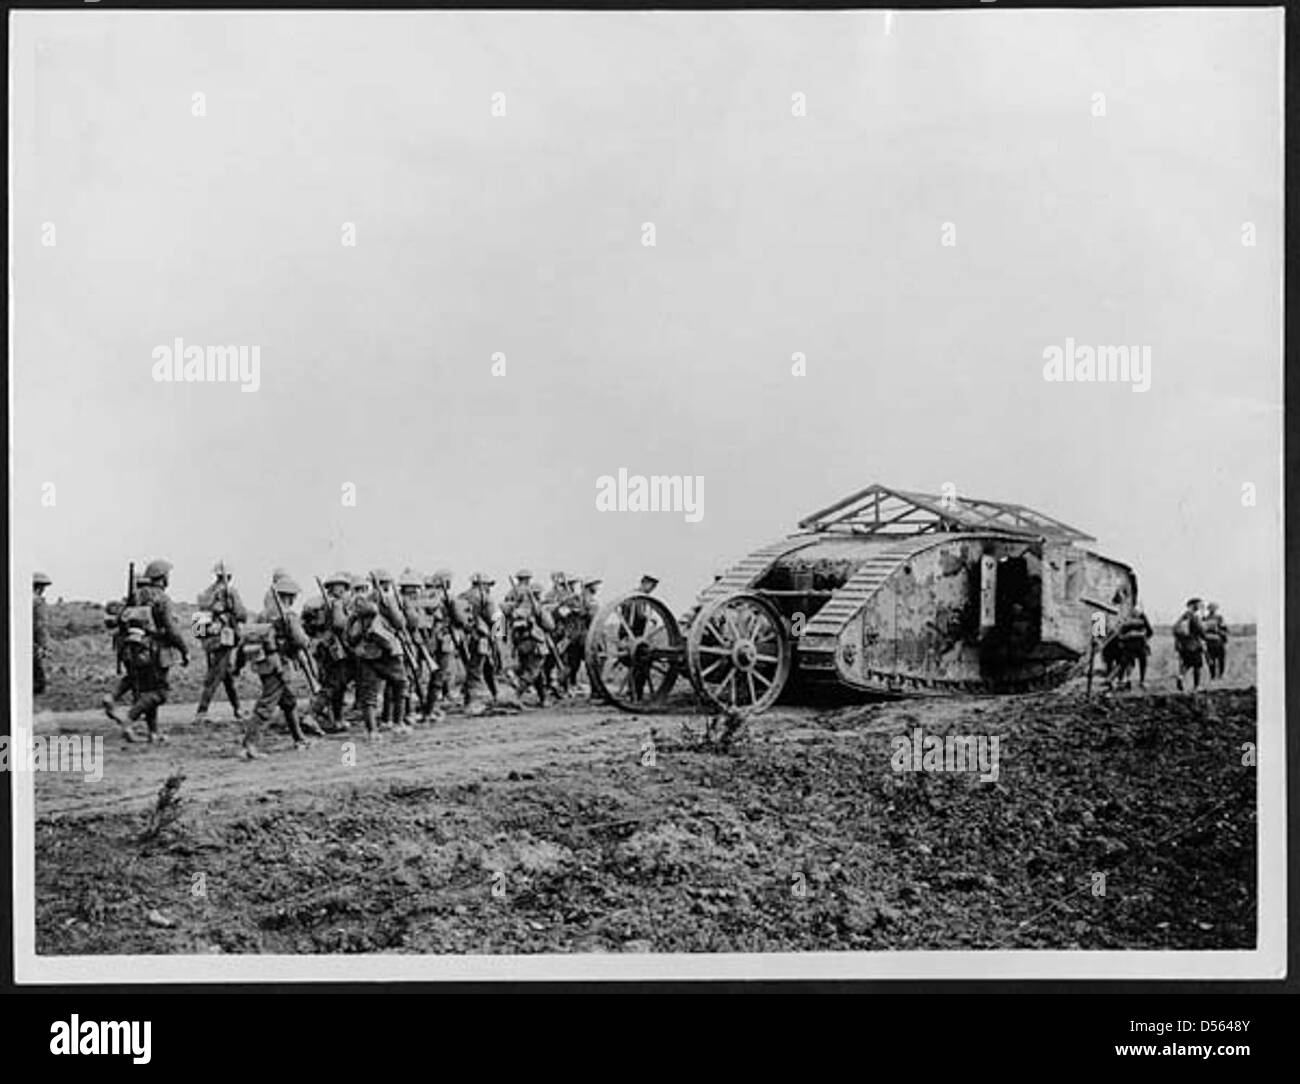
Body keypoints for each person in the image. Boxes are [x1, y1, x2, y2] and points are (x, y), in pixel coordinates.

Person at [105, 559, 190, 744]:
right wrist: (184, 650)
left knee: (147, 692)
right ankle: (129, 720)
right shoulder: (161, 598)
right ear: (163, 578)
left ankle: (153, 733)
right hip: (156, 651)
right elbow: (171, 629)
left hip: (135, 649)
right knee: (161, 693)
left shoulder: (137, 595)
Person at [241, 573, 322, 759]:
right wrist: (307, 643)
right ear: (289, 596)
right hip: (279, 664)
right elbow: (300, 640)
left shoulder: (263, 613)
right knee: (267, 704)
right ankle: (250, 745)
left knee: (289, 702)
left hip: (265, 663)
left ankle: (299, 739)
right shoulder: (288, 615)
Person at [193, 559, 248, 724]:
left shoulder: (206, 594)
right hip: (224, 638)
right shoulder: (230, 592)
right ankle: (201, 712)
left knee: (226, 674)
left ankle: (237, 709)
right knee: (216, 674)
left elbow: (199, 623)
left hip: (209, 639)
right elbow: (241, 614)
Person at [303, 572, 354, 732]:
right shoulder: (336, 603)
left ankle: (337, 719)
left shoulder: (316, 604)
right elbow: (339, 625)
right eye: (342, 587)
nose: (343, 590)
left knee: (338, 684)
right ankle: (311, 715)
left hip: (321, 648)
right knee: (334, 684)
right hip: (334, 648)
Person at [502, 570, 550, 706]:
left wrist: (504, 637)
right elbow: (548, 624)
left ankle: (543, 698)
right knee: (533, 669)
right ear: (528, 579)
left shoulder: (510, 596)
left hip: (518, 639)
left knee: (534, 669)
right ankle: (514, 695)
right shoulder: (530, 595)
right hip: (534, 639)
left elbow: (501, 618)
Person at [458, 573, 501, 714]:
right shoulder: (485, 597)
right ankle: (473, 703)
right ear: (483, 584)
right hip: (480, 637)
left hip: (464, 637)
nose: (489, 588)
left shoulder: (462, 596)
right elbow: (495, 618)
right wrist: (497, 640)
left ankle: (495, 694)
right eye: (488, 585)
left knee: (483, 667)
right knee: (476, 670)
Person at [1115, 605, 1154, 688]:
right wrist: (1127, 636)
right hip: (1129, 645)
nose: (1135, 613)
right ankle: (1122, 681)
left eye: (1137, 611)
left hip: (1140, 644)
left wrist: (1143, 636)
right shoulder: (1126, 619)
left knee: (1142, 661)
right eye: (1134, 611)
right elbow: (1120, 633)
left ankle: (1142, 681)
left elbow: (1150, 631)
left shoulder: (1143, 618)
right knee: (1124, 662)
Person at [1173, 597, 1206, 692]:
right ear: (1194, 605)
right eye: (1198, 605)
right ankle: (1196, 686)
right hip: (1194, 645)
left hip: (1184, 645)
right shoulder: (1194, 617)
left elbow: (1175, 629)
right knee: (1197, 666)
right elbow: (1200, 630)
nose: (1200, 607)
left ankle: (1180, 676)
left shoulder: (1183, 616)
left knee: (1186, 664)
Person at [32, 572, 52, 697]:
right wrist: (43, 645)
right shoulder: (38, 602)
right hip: (33, 642)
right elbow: (40, 625)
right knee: (38, 674)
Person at [1202, 602, 1229, 680]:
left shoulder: (1219, 618)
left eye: (1213, 608)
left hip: (1218, 641)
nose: (1212, 610)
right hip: (1209, 642)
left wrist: (1218, 631)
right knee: (1211, 660)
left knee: (1221, 660)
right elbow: (1202, 630)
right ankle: (1212, 676)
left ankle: (1221, 675)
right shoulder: (1205, 618)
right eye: (1210, 608)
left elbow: (1225, 630)